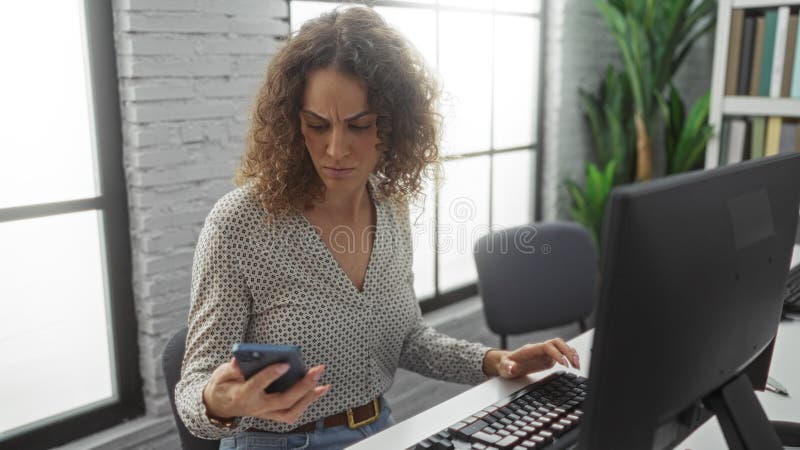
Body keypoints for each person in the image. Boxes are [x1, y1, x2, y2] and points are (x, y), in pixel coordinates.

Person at [175, 6, 581, 450]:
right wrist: (216, 402)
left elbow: (408, 340)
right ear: (293, 123)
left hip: (381, 430)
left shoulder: (389, 207)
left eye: (358, 125)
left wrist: (496, 361)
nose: (335, 148)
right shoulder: (241, 223)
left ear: (390, 126)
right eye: (317, 125)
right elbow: (194, 390)